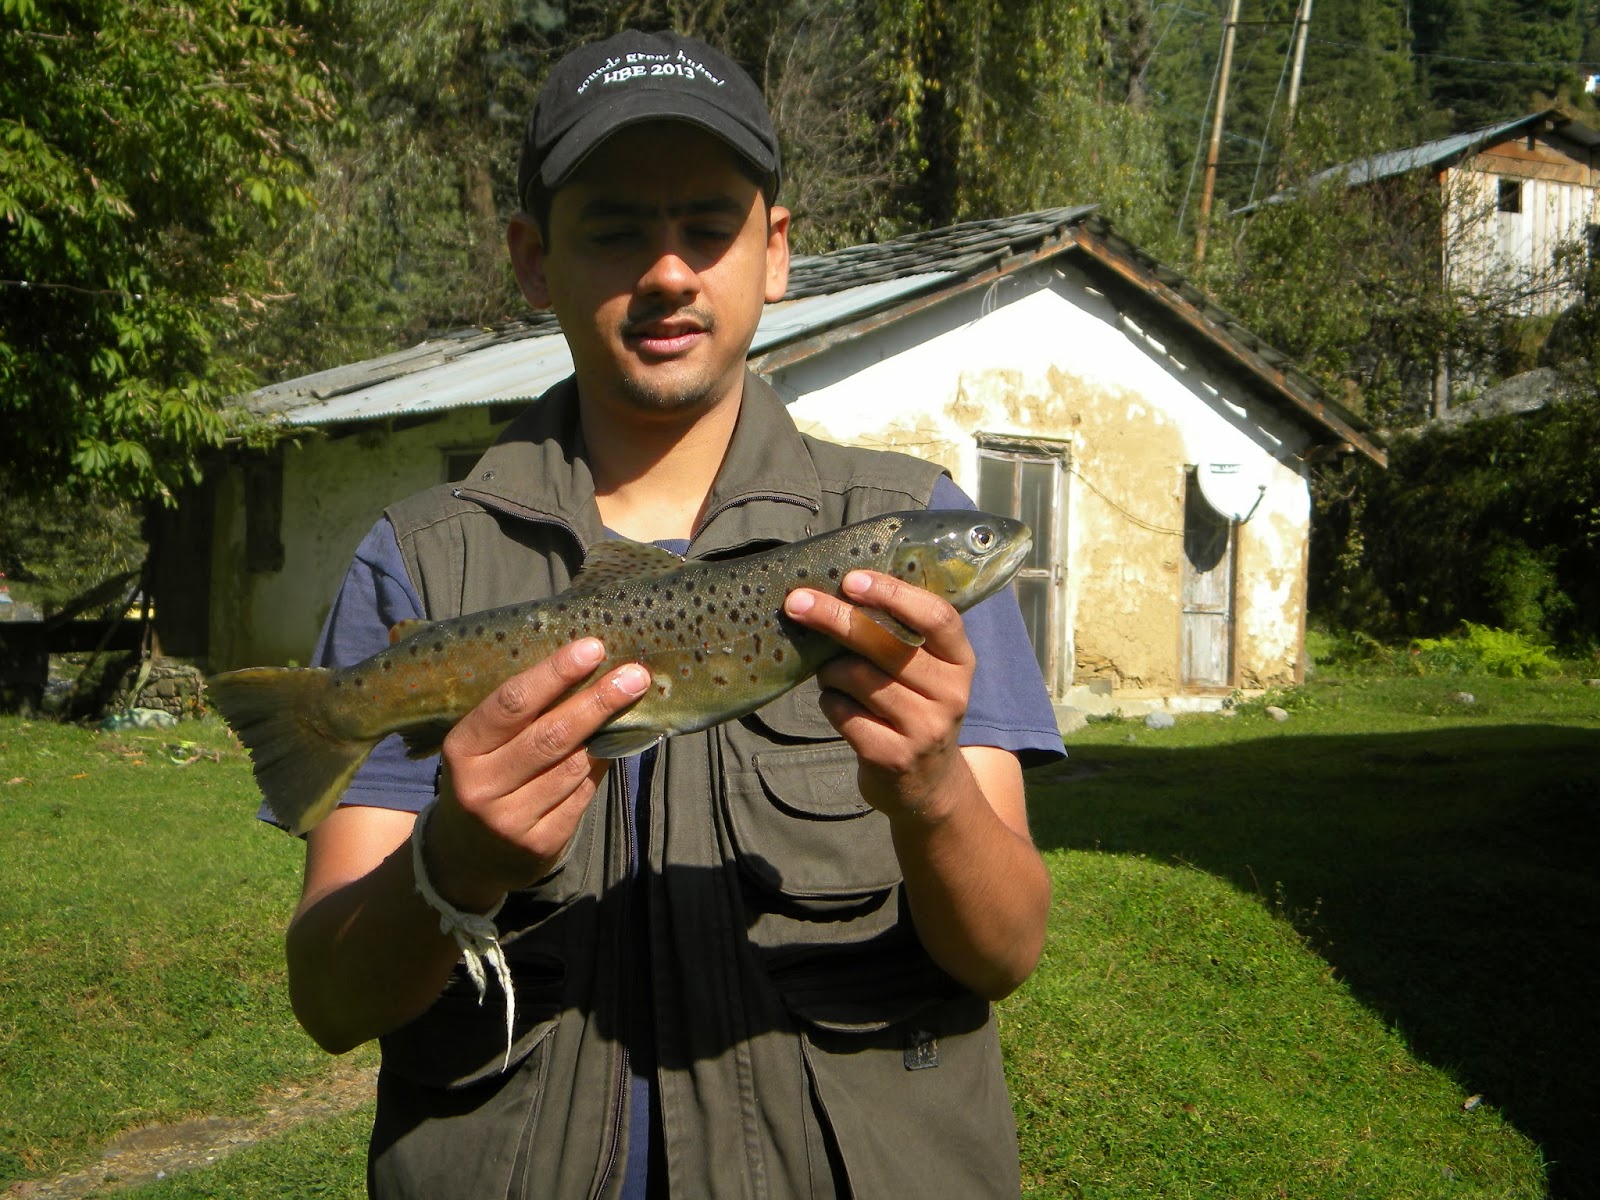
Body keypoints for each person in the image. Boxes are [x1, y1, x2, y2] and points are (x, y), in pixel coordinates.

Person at [279, 28, 1063, 1199]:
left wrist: (930, 788)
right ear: (533, 262)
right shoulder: (420, 561)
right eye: (613, 230)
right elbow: (331, 1002)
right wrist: (455, 862)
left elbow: (1002, 953)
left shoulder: (907, 530)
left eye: (707, 227)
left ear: (776, 251)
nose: (667, 271)